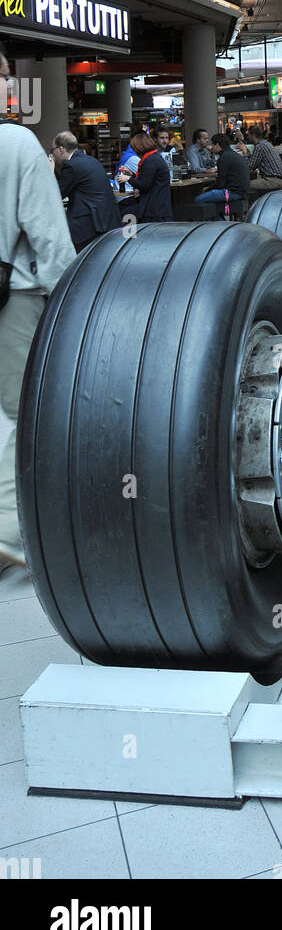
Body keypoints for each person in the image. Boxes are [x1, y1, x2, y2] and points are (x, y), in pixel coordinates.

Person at [0, 49, 77, 570]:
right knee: (21, 413)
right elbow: (48, 235)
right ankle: (10, 533)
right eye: (6, 77)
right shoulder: (16, 142)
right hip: (14, 299)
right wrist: (68, 296)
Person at [51, 130, 122, 252]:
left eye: (52, 150)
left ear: (61, 149)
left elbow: (56, 194)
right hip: (106, 220)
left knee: (83, 260)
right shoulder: (90, 160)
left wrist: (50, 171)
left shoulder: (71, 166)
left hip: (89, 226)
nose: (52, 154)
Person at [118, 131, 173, 223]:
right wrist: (131, 175)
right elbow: (148, 178)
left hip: (154, 209)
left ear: (139, 147)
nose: (134, 150)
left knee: (123, 214)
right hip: (159, 207)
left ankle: (127, 232)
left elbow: (144, 185)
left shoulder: (150, 160)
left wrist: (128, 179)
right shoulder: (154, 157)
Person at [194, 132, 251, 217]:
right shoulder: (234, 155)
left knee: (198, 199)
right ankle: (218, 220)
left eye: (213, 145)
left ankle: (216, 222)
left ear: (217, 145)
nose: (212, 147)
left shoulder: (223, 158)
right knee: (211, 200)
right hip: (241, 192)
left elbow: (220, 183)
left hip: (231, 193)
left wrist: (207, 190)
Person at [247, 124, 282, 192]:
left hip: (272, 181)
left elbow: (250, 166)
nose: (247, 137)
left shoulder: (259, 146)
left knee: (244, 185)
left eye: (248, 135)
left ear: (253, 135)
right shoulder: (265, 143)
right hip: (278, 179)